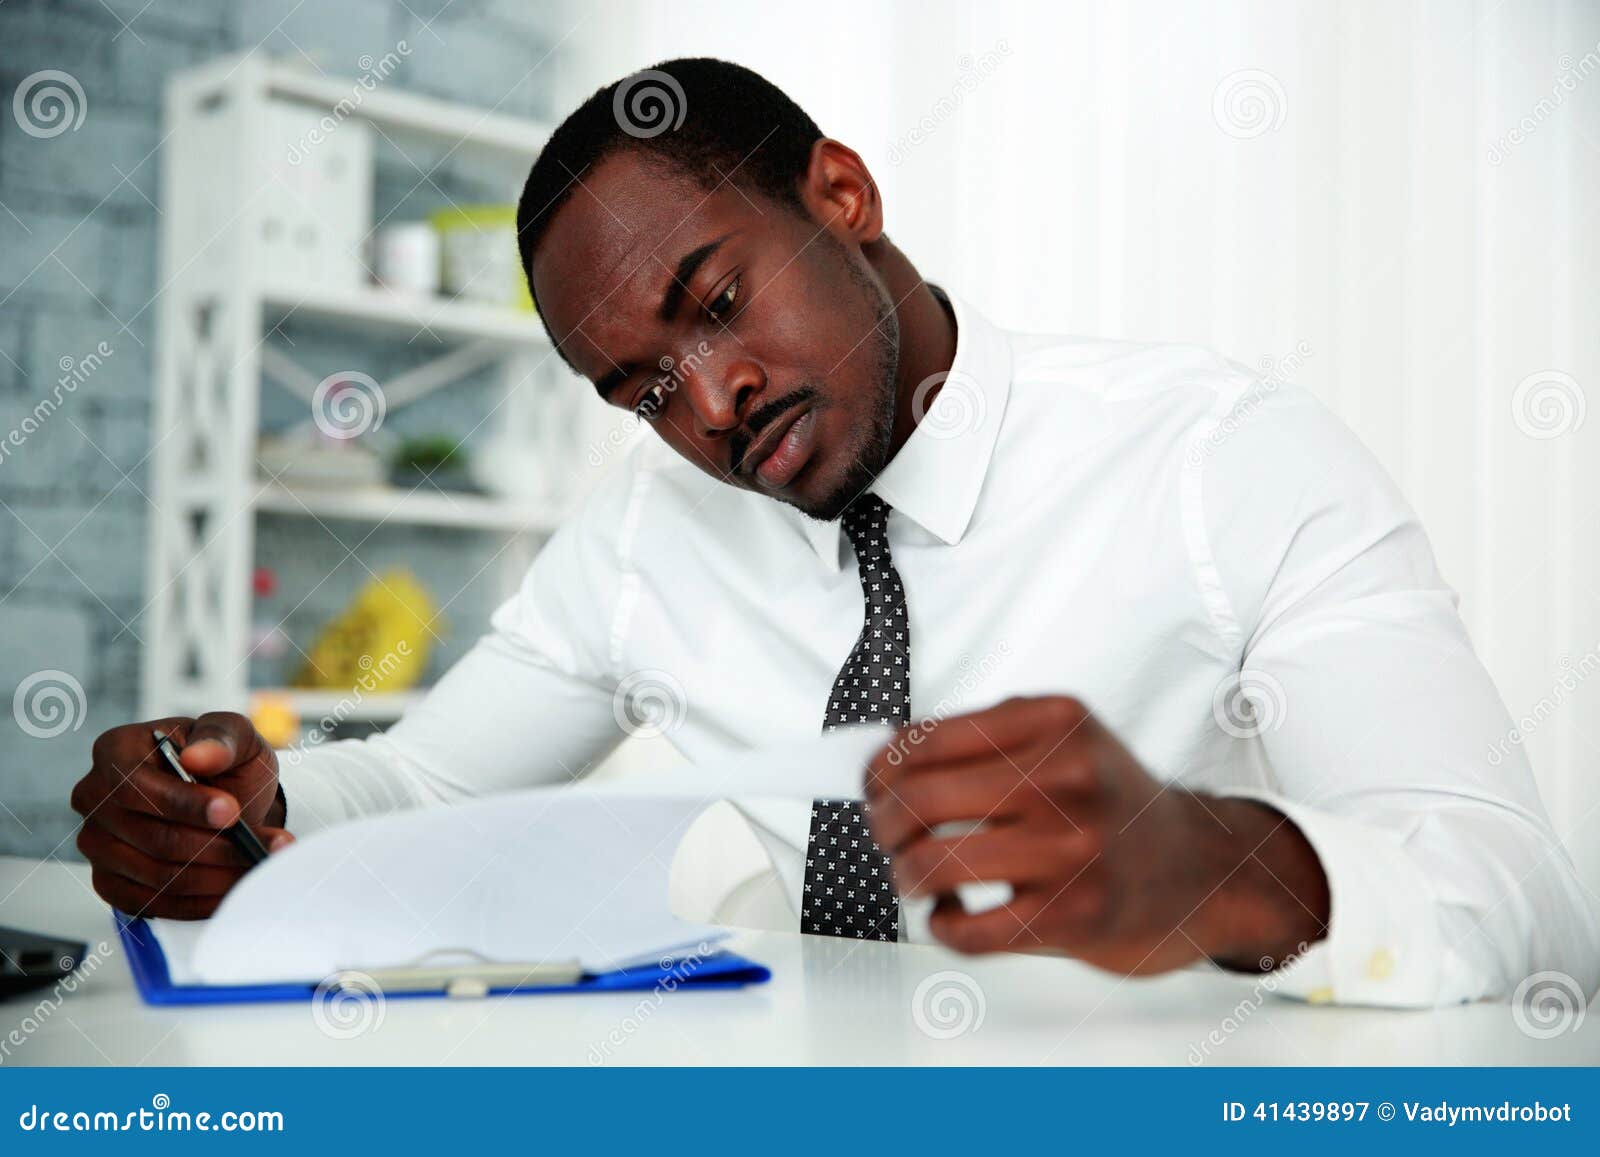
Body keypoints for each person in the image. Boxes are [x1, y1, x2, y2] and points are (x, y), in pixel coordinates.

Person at [72, 58, 1598, 1006]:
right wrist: (245, 812)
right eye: (642, 385)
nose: (712, 399)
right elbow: (422, 779)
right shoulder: (647, 536)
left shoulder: (1223, 457)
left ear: (842, 193)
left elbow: (1522, 909)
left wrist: (1217, 866)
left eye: (717, 304)